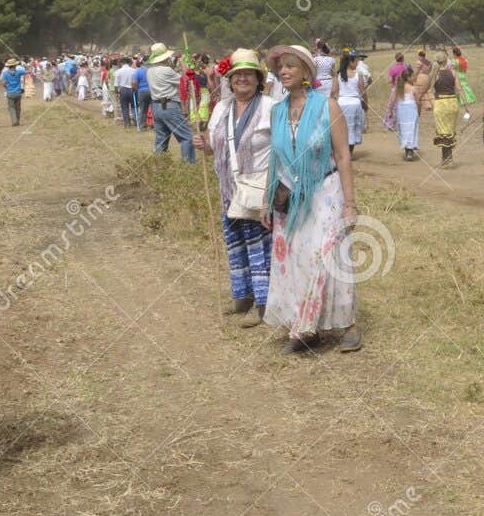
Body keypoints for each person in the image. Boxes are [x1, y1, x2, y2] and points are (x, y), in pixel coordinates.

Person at [264, 44, 361, 353]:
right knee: (295, 260)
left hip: (325, 192)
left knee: (327, 257)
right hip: (289, 197)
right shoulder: (277, 110)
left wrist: (350, 203)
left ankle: (349, 324)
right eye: (281, 67)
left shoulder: (326, 106)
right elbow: (274, 159)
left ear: (306, 71)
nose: (284, 71)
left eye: (291, 66)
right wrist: (268, 201)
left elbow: (344, 156)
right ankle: (306, 328)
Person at [200, 49, 273, 329]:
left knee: (259, 247)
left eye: (248, 74)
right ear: (229, 80)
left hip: (258, 187)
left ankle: (263, 303)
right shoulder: (221, 108)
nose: (242, 79)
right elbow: (215, 148)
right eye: (237, 75)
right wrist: (204, 145)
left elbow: (280, 148)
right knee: (235, 244)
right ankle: (242, 296)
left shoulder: (270, 106)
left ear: (258, 79)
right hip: (229, 188)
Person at [144, 43, 195, 161]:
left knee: (161, 137)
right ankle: (188, 167)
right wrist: (182, 62)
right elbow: (186, 80)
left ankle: (159, 164)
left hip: (156, 106)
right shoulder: (166, 70)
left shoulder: (149, 70)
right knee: (186, 137)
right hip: (169, 106)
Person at [335, 50, 367, 156]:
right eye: (356, 61)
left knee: (343, 128)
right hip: (355, 103)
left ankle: (342, 151)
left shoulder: (339, 74)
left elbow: (333, 91)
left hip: (341, 103)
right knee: (353, 128)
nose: (357, 63)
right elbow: (363, 91)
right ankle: (349, 152)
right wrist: (365, 103)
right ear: (350, 62)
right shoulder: (358, 75)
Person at [431, 54, 460, 168]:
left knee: (443, 132)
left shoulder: (435, 74)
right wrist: (466, 106)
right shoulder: (453, 72)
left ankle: (446, 160)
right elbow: (459, 89)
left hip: (440, 103)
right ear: (446, 61)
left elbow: (430, 87)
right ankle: (449, 159)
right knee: (450, 131)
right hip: (452, 103)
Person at [394, 63, 420, 160]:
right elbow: (417, 101)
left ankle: (407, 151)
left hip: (401, 110)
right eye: (412, 76)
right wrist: (419, 110)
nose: (414, 77)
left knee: (404, 129)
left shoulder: (400, 87)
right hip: (411, 110)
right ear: (408, 77)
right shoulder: (413, 88)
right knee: (412, 129)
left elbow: (394, 100)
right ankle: (410, 151)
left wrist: (391, 112)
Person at [114, 56, 137, 128]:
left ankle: (127, 124)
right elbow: (136, 82)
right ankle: (136, 122)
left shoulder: (118, 71)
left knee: (124, 108)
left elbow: (116, 84)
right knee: (134, 107)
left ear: (121, 63)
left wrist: (116, 93)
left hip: (123, 90)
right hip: (132, 90)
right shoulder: (134, 70)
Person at [1, 57, 25, 125]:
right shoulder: (19, 72)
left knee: (11, 108)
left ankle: (14, 121)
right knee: (18, 108)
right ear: (15, 65)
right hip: (18, 92)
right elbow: (28, 71)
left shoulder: (5, 73)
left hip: (10, 92)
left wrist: (7, 88)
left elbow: (3, 83)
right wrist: (26, 66)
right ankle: (17, 121)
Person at [133, 58, 151, 131]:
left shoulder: (139, 70)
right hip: (151, 90)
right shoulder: (151, 70)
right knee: (154, 109)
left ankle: (141, 126)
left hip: (142, 91)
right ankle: (156, 126)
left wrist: (134, 88)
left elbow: (134, 82)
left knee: (142, 109)